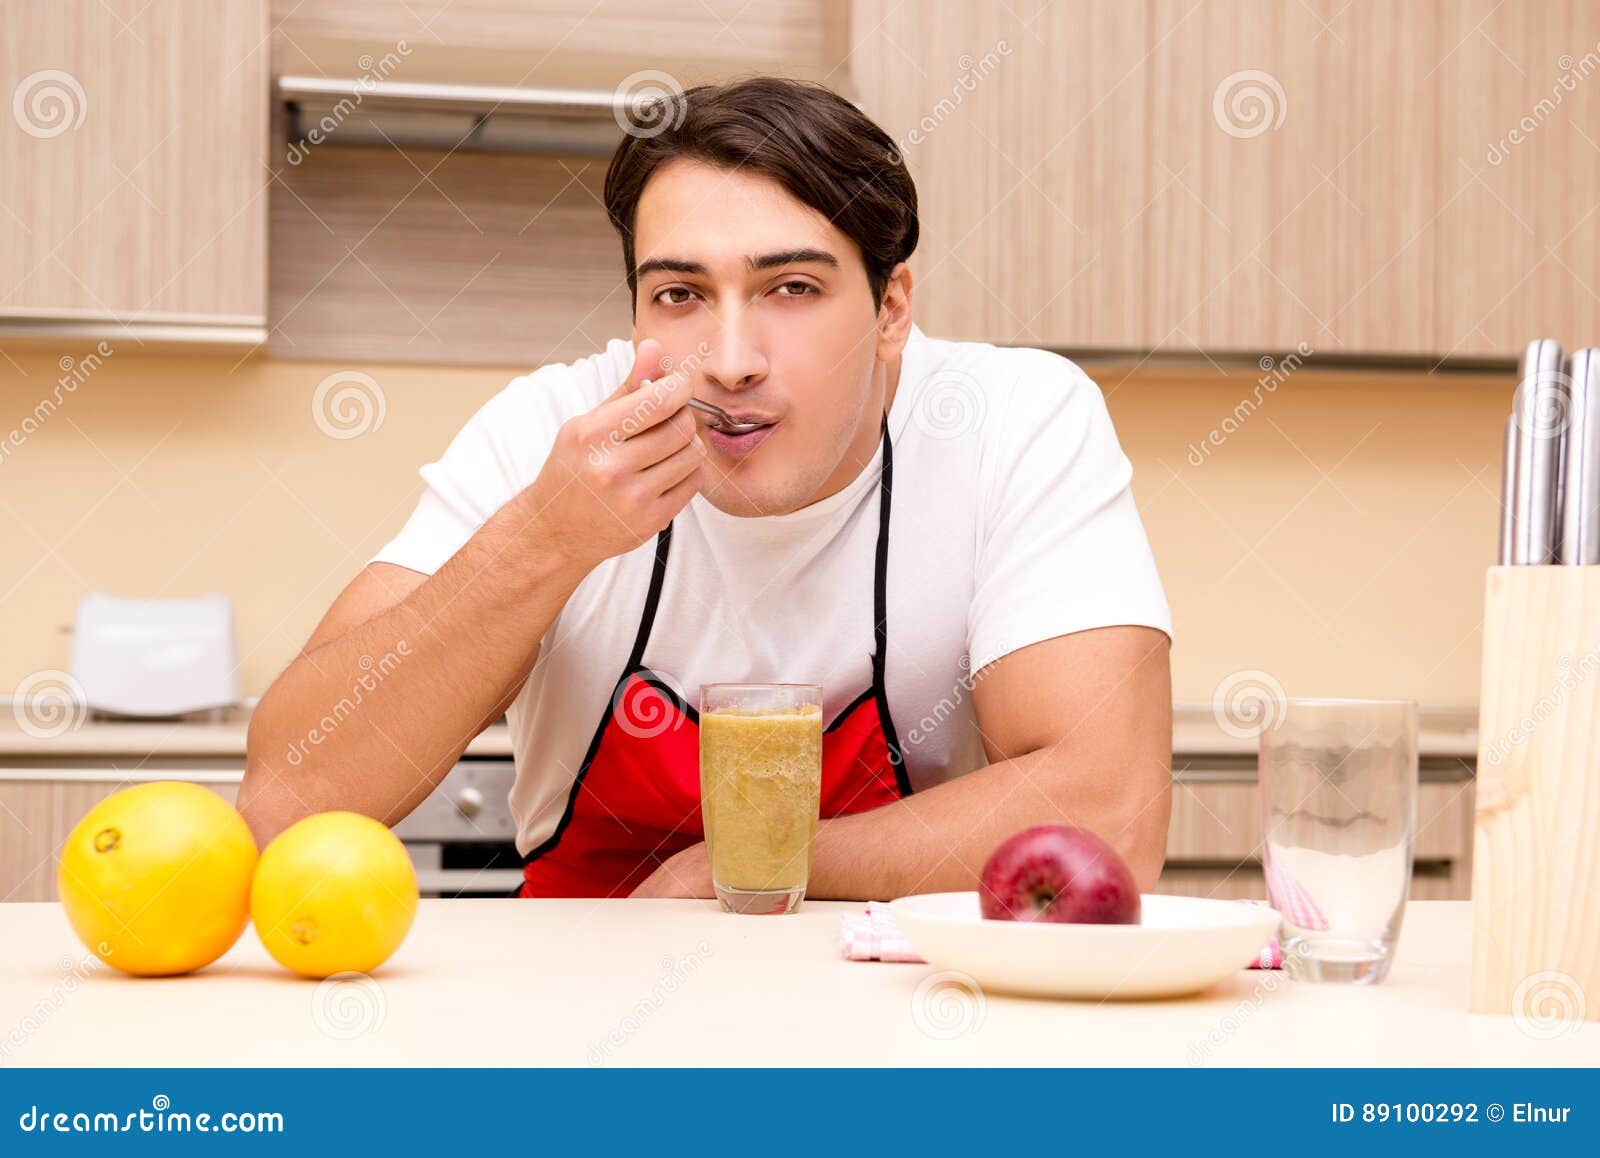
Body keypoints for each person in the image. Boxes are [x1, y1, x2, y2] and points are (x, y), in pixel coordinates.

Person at [240, 76, 1174, 902]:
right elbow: (289, 801)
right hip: (573, 1007)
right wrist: (545, 541)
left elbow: (1110, 813)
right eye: (680, 295)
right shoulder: (548, 432)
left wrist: (734, 873)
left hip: (896, 1012)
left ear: (891, 310)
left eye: (793, 288)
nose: (729, 363)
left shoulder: (1008, 420)